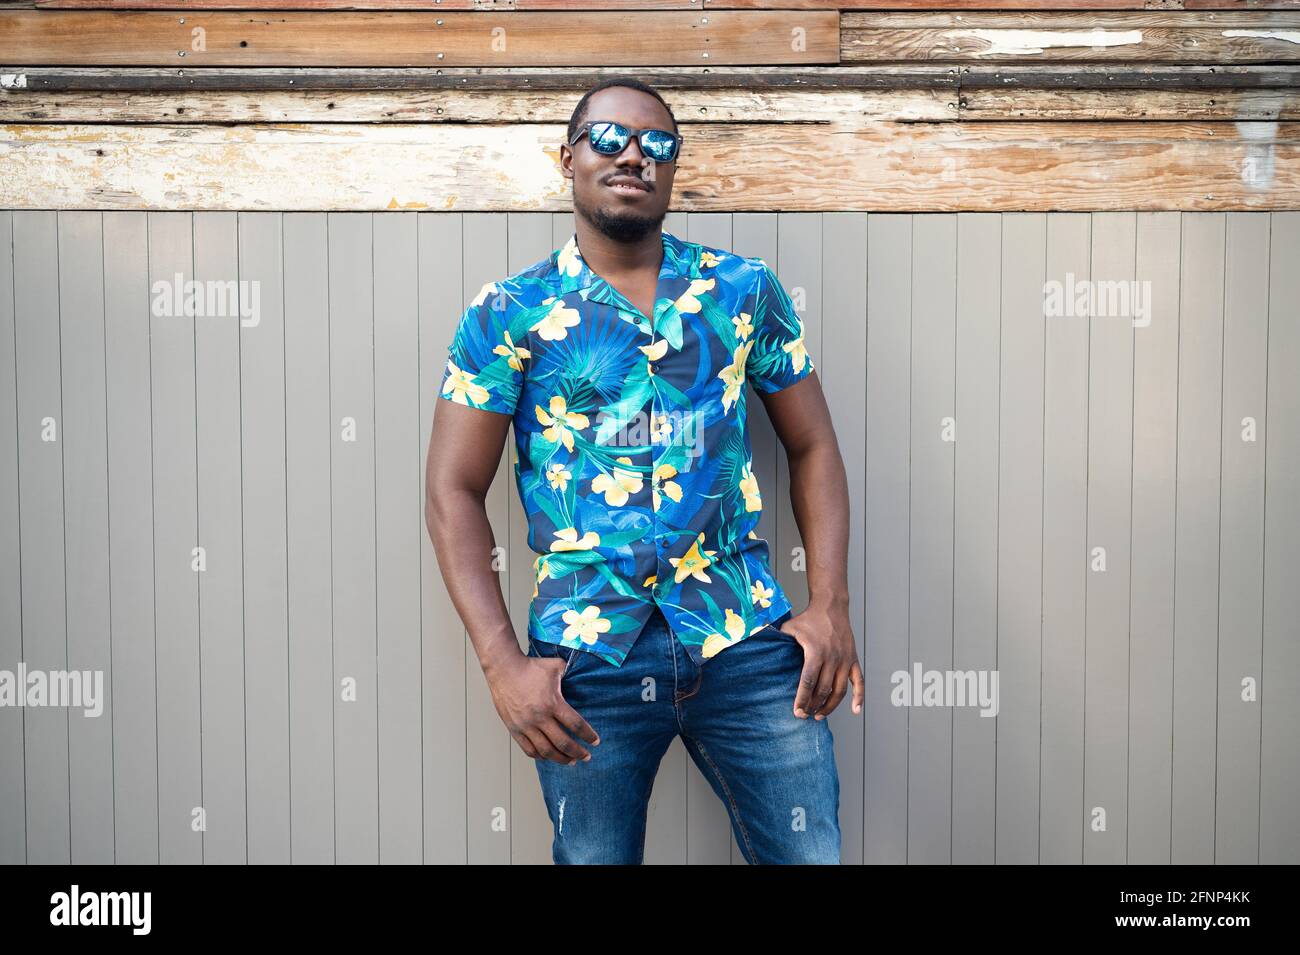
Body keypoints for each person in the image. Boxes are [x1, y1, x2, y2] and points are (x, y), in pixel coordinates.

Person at [425, 77, 861, 864]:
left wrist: (829, 603)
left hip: (742, 636)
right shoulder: (509, 312)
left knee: (811, 856)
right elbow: (452, 489)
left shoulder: (742, 291)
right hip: (586, 655)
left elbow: (815, 444)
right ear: (567, 158)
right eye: (609, 138)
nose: (634, 154)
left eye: (658, 144)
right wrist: (502, 666)